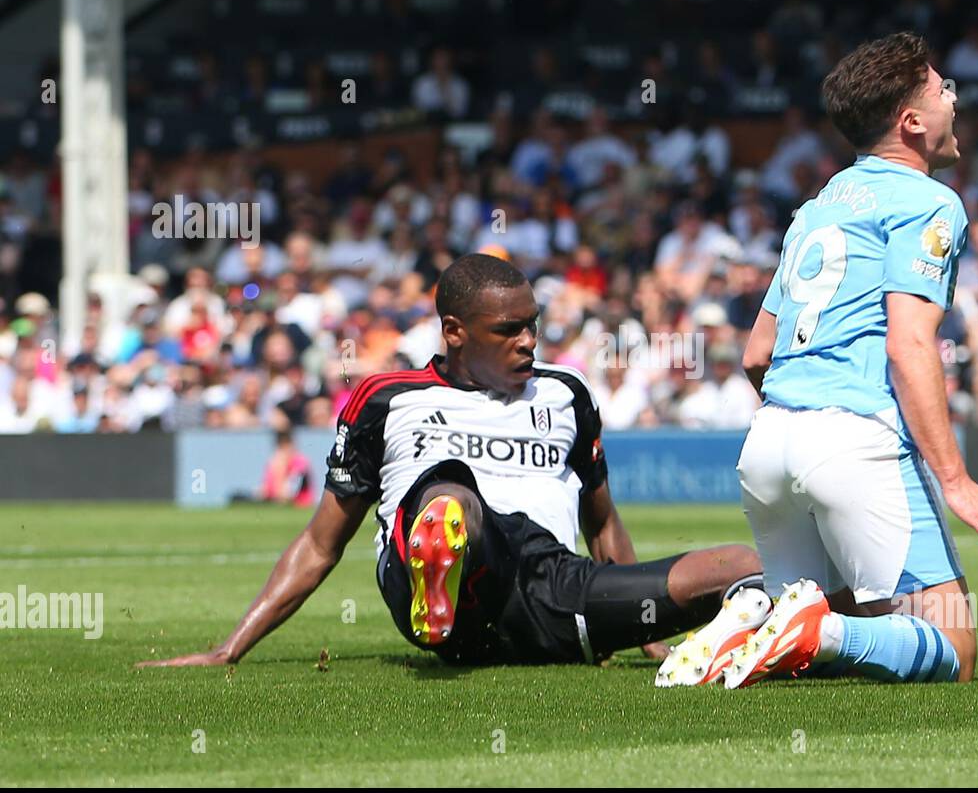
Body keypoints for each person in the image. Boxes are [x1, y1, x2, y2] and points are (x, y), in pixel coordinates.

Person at [139, 255, 760, 669]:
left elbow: (602, 523)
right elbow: (320, 543)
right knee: (452, 494)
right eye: (509, 329)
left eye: (533, 326)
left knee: (744, 565)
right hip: (434, 560)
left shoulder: (566, 393)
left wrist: (645, 631)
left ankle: (836, 621)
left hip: (547, 586)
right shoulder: (388, 398)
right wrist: (230, 649)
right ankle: (441, 576)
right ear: (455, 331)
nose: (529, 341)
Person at [658, 32, 978, 691]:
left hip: (770, 440)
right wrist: (954, 479)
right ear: (911, 122)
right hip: (855, 437)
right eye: (944, 89)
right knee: (954, 649)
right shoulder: (929, 201)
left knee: (853, 609)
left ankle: (751, 622)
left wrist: (800, 427)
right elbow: (909, 343)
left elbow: (757, 353)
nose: (955, 98)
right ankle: (813, 628)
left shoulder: (819, 205)